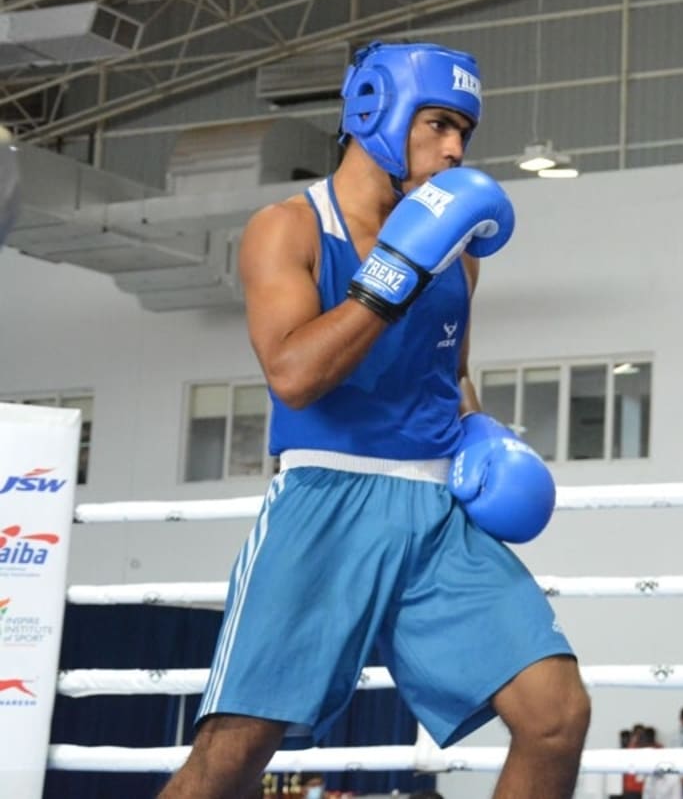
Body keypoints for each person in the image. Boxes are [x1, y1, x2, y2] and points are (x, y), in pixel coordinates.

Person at [159, 42, 590, 799]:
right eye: (440, 123)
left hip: (435, 514)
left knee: (556, 716)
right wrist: (391, 272)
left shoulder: (459, 251)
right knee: (232, 756)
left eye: (465, 132)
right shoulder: (287, 228)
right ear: (374, 111)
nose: (456, 148)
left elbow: (450, 373)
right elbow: (293, 375)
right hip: (328, 501)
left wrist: (482, 436)